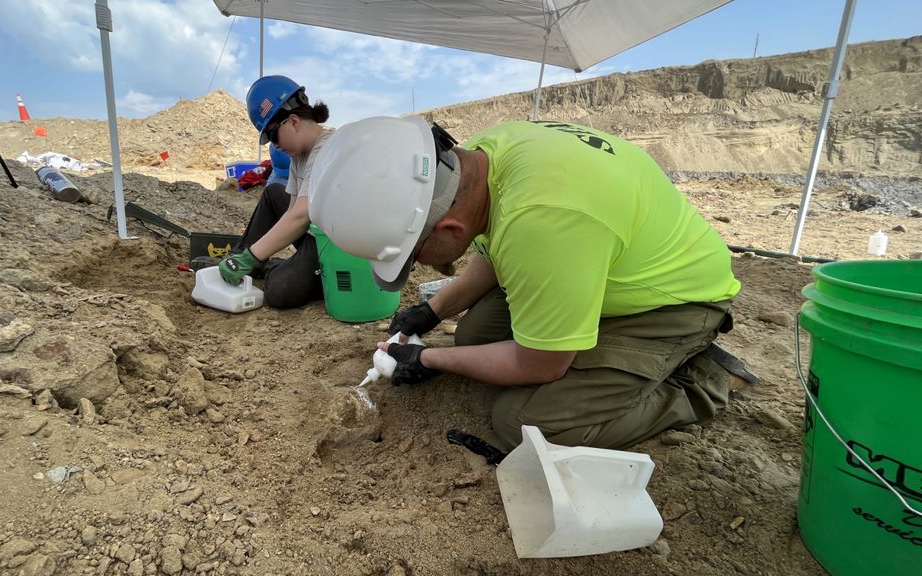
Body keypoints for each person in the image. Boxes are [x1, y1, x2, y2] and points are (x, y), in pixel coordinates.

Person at [309, 116, 750, 450]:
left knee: (524, 421)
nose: (418, 265)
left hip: (672, 300)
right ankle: (603, 352)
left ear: (447, 229)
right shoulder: (479, 158)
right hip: (596, 259)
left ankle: (700, 382)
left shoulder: (542, 222)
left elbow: (542, 364)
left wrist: (432, 361)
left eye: (414, 256)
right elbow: (493, 250)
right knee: (475, 334)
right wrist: (432, 311)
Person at [218, 75, 332, 309]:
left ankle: (264, 265)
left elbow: (300, 217)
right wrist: (250, 254)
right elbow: (290, 211)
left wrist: (254, 256)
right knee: (272, 193)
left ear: (293, 121)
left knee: (279, 291)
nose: (274, 145)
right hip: (315, 231)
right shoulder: (299, 156)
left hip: (332, 243)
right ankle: (239, 260)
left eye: (272, 135)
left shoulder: (327, 149)